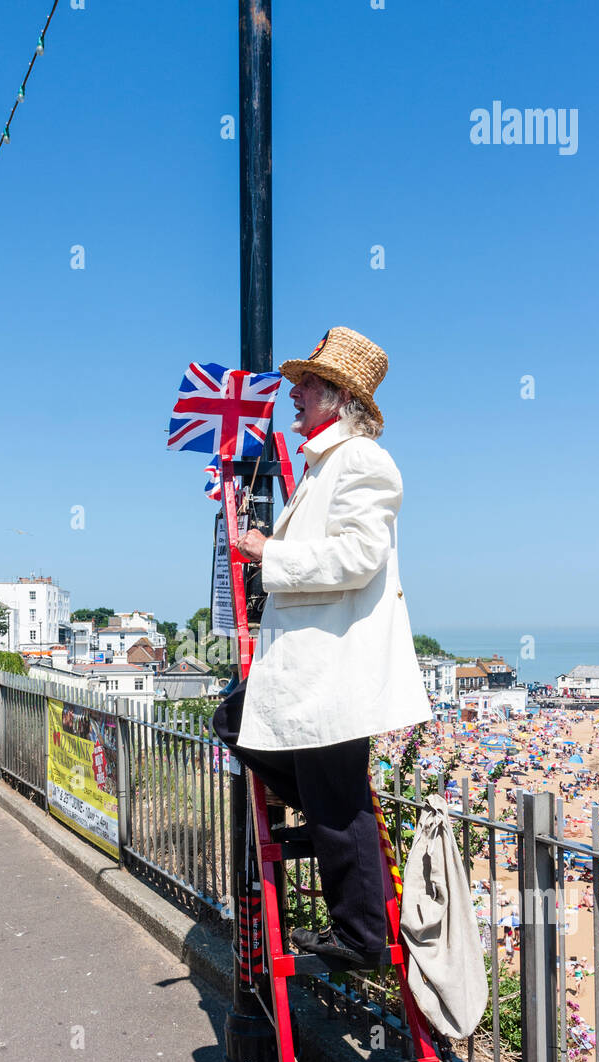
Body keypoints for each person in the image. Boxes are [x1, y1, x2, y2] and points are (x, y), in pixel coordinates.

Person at [213, 327, 431, 968]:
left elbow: (359, 558)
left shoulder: (361, 460)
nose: (293, 391)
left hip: (334, 670)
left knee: (339, 804)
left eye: (306, 384)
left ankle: (361, 938)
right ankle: (343, 860)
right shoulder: (325, 465)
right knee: (241, 726)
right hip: (311, 668)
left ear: (338, 395)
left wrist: (267, 552)